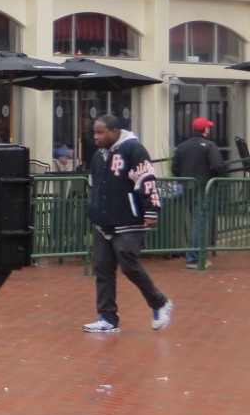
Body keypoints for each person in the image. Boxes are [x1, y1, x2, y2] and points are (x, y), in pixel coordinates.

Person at [82, 113, 173, 333]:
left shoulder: (134, 150)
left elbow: (147, 181)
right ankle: (107, 317)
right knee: (103, 268)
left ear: (115, 131)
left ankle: (159, 302)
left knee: (128, 263)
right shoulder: (98, 155)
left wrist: (151, 211)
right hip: (104, 221)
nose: (96, 136)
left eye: (101, 132)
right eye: (94, 132)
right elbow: (94, 184)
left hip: (129, 220)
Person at [172, 116, 226, 266]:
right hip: (203, 189)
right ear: (206, 130)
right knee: (199, 223)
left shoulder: (182, 147)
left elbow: (175, 167)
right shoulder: (210, 146)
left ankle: (195, 256)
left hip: (187, 189)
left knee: (196, 222)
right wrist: (214, 178)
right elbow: (217, 166)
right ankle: (194, 258)